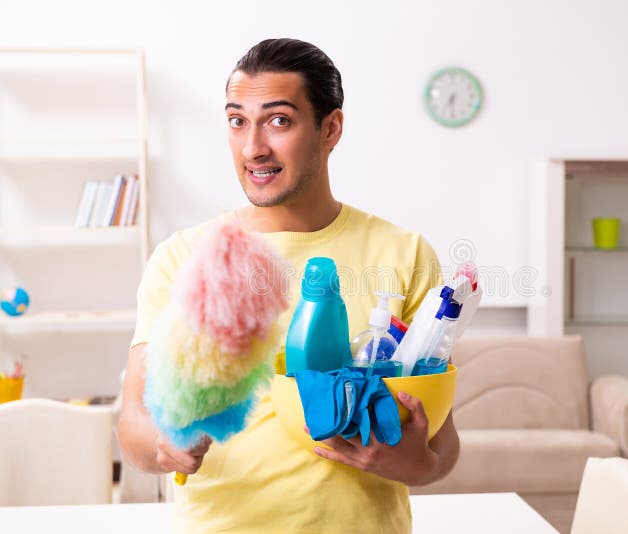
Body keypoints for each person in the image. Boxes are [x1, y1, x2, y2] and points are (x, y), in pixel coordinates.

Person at [118, 38, 459, 533]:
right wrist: (162, 446)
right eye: (238, 121)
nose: (253, 147)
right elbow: (132, 424)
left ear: (330, 128)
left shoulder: (403, 254)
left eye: (279, 120)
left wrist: (420, 466)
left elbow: (442, 442)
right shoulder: (182, 257)